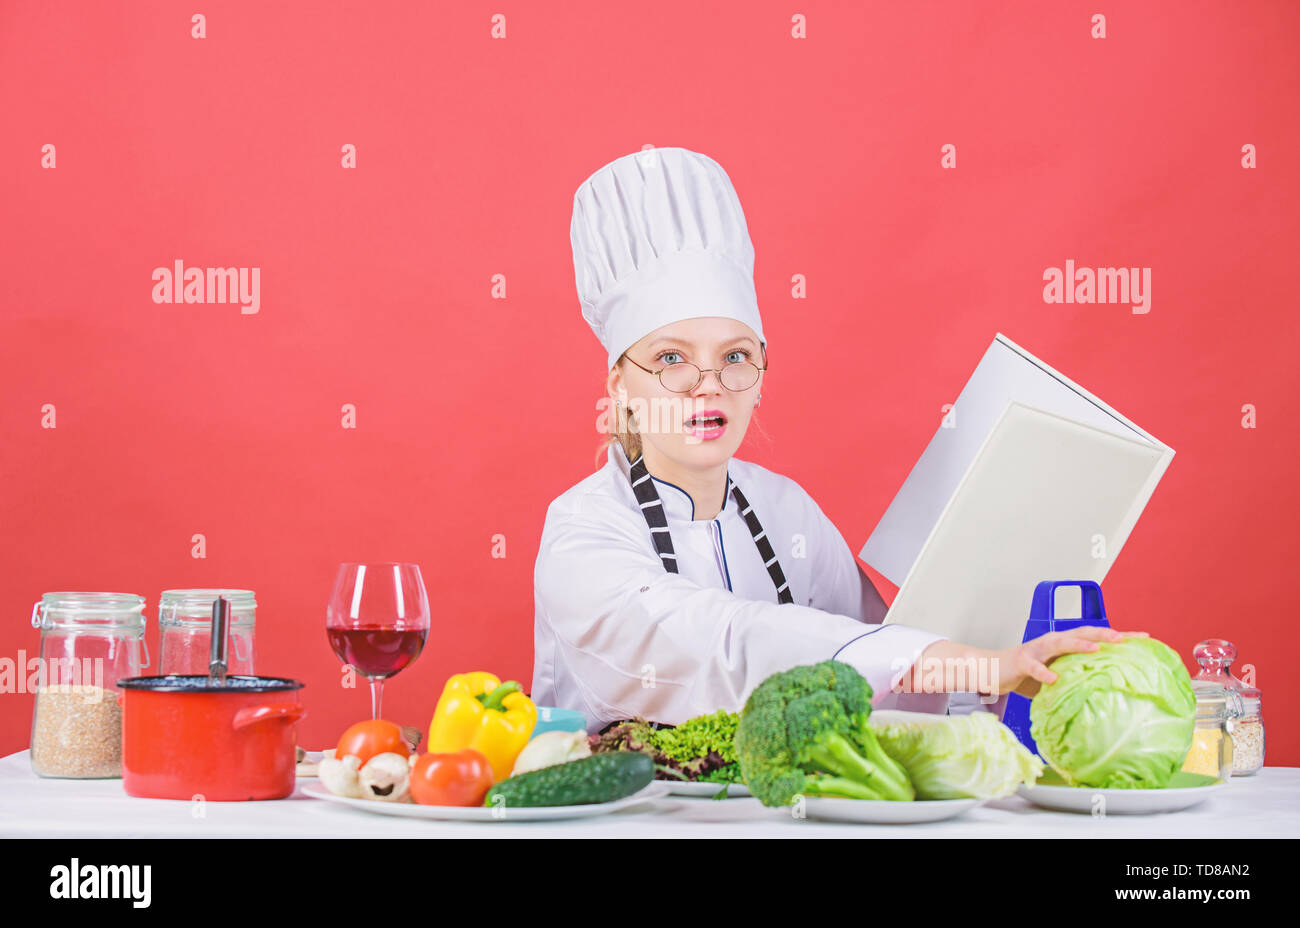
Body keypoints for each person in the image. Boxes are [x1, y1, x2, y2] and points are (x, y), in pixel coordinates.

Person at [531, 146, 1139, 732]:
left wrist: (1008, 658)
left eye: (735, 357)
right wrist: (972, 662)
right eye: (671, 359)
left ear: (761, 375)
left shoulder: (785, 509)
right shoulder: (582, 529)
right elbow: (715, 642)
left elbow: (881, 666)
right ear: (621, 383)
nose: (707, 388)